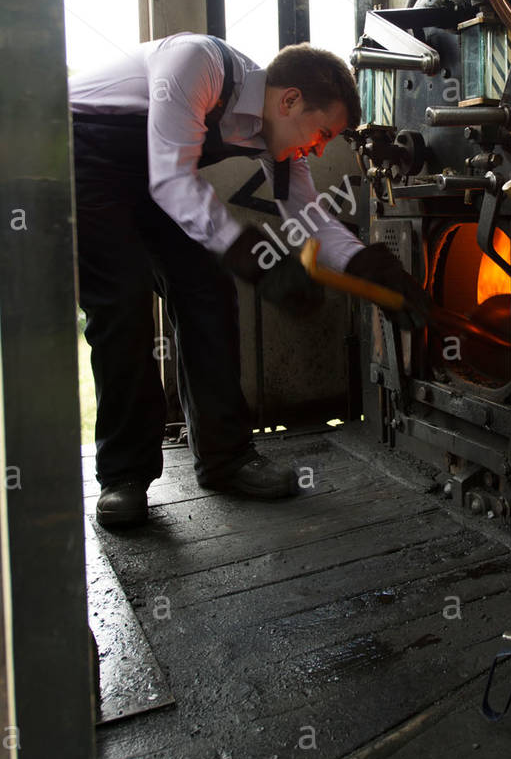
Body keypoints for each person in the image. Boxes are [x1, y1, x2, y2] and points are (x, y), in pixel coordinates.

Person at [69, 33, 428, 530]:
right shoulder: (197, 64)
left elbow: (310, 218)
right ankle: (123, 476)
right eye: (322, 134)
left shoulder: (278, 139)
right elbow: (172, 181)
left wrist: (375, 268)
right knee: (122, 304)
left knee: (209, 295)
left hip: (156, 177)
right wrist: (253, 258)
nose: (319, 150)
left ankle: (225, 459)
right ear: (290, 100)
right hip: (83, 155)